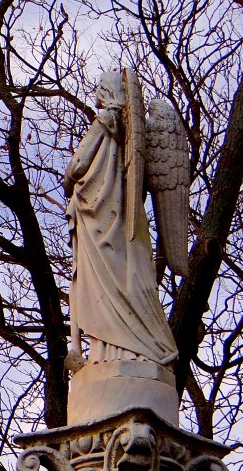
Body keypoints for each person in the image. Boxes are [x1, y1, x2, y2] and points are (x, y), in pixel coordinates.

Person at [63, 71, 178, 370]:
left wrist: (68, 179)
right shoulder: (131, 131)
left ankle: (119, 351)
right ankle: (136, 350)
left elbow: (78, 165)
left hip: (99, 219)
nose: (96, 95)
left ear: (107, 92)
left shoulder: (104, 123)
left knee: (102, 286)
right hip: (123, 219)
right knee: (127, 278)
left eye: (99, 89)